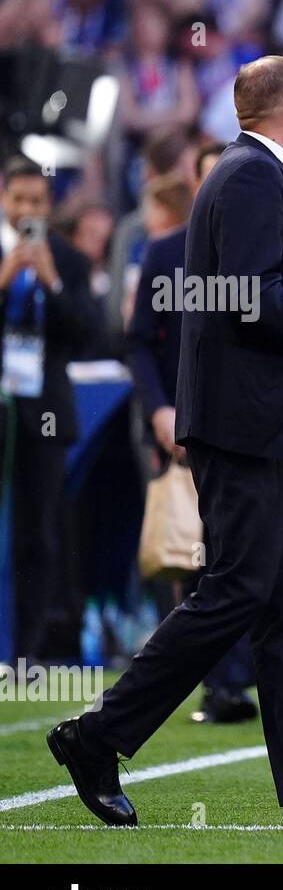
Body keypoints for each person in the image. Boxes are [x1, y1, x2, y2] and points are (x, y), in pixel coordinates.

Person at [48, 55, 283, 828]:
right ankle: (98, 733)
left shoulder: (261, 175)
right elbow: (252, 299)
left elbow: (265, 297)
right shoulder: (249, 176)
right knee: (237, 593)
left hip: (270, 424)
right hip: (253, 428)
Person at [125, 161, 258, 727]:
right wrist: (158, 408)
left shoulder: (254, 245)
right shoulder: (163, 252)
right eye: (209, 176)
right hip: (180, 429)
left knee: (233, 561)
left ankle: (233, 680)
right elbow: (137, 342)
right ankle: (212, 683)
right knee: (187, 558)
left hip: (242, 428)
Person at [0, 155, 99, 662]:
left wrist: (52, 284)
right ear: (3, 198)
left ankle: (27, 652)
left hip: (45, 413)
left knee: (38, 534)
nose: (26, 210)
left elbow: (90, 332)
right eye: (18, 199)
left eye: (36, 201)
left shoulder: (68, 259)